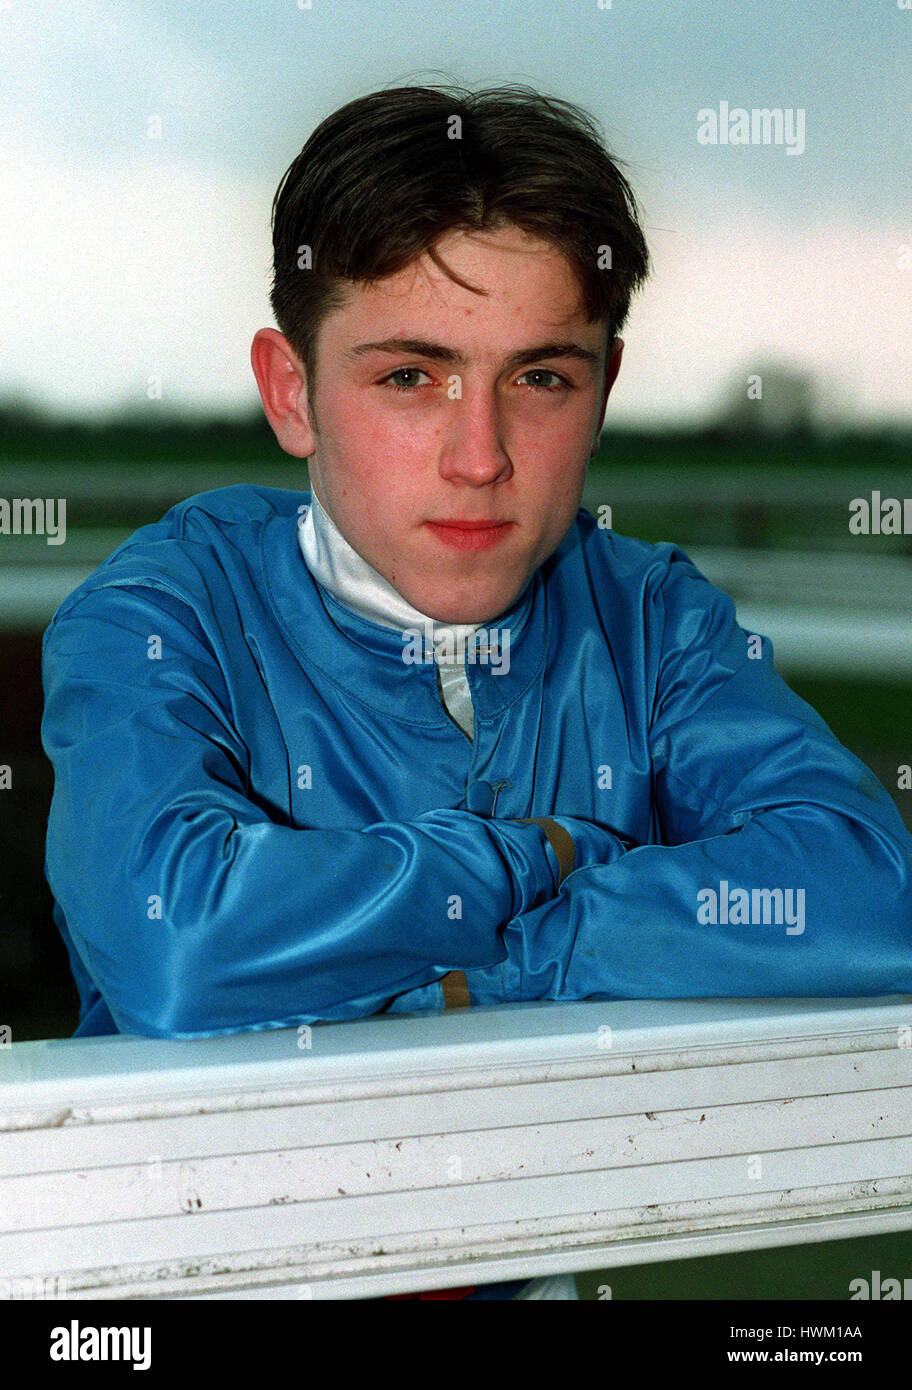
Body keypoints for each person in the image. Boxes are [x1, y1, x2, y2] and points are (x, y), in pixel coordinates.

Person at [41, 84, 912, 1301]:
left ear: (604, 388)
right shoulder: (159, 612)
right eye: (412, 376)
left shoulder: (648, 613)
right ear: (291, 391)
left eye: (541, 379)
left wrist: (503, 968)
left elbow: (873, 892)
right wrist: (529, 859)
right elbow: (177, 944)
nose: (481, 454)